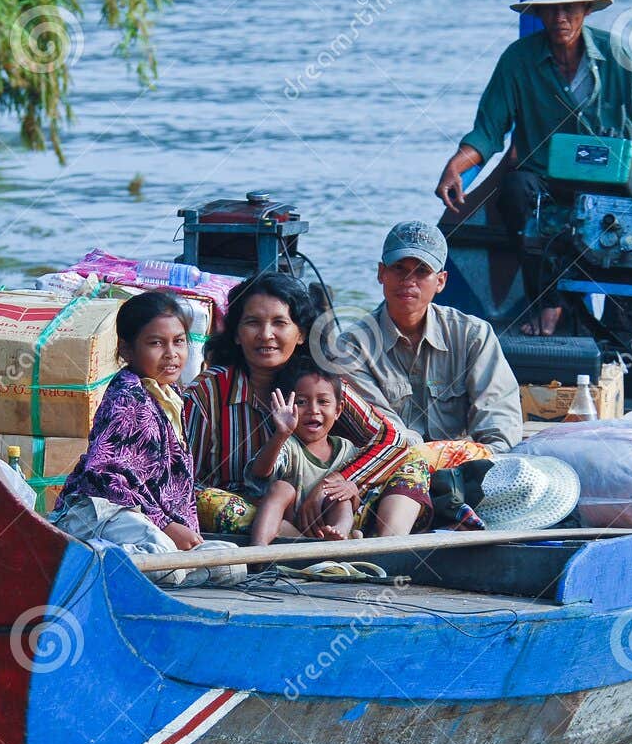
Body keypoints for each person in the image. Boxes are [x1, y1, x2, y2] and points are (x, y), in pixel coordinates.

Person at [433, 0, 632, 336]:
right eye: (551, 9)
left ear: (586, 10)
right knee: (514, 190)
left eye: (569, 8)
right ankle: (550, 302)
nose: (560, 18)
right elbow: (488, 132)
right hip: (546, 185)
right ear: (538, 13)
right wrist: (455, 167)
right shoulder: (518, 60)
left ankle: (621, 331)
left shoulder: (618, 59)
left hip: (609, 188)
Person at [184, 272, 433, 538]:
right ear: (236, 334)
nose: (266, 335)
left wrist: (339, 480)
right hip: (254, 520)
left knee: (413, 461)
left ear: (301, 334)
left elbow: (392, 439)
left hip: (331, 514)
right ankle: (309, 545)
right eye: (253, 323)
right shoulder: (208, 390)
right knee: (206, 500)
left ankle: (385, 547)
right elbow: (183, 476)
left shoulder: (320, 383)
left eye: (279, 322)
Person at [51, 292, 237, 584]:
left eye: (178, 341)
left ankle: (169, 568)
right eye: (156, 343)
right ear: (127, 350)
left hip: (146, 524)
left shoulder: (170, 395)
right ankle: (75, 559)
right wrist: (165, 526)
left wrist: (184, 532)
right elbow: (103, 477)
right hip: (102, 512)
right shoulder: (128, 397)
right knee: (164, 560)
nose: (171, 353)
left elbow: (176, 484)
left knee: (231, 562)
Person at [329, 221, 522, 472]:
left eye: (422, 271)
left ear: (440, 281)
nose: (408, 281)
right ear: (381, 273)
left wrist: (486, 465)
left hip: (464, 467)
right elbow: (386, 434)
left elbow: (499, 420)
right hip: (391, 471)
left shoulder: (473, 335)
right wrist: (428, 462)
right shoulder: (353, 346)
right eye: (399, 268)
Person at [247, 363, 366, 545]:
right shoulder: (288, 445)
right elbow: (260, 471)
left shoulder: (347, 449)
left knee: (340, 492)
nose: (313, 410)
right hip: (292, 526)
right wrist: (281, 434)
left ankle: (340, 535)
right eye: (301, 402)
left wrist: (351, 488)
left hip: (328, 528)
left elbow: (362, 497)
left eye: (323, 402)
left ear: (338, 410)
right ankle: (257, 551)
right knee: (281, 488)